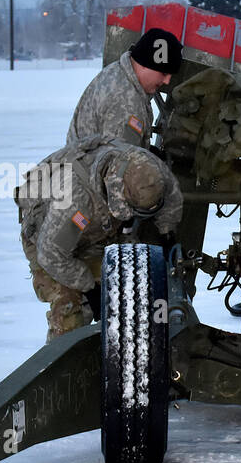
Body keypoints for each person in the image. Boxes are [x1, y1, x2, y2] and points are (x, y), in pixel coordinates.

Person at [16, 135, 183, 339]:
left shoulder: (148, 168)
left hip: (101, 233)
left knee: (138, 291)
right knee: (71, 309)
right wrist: (90, 288)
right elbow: (51, 255)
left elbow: (172, 197)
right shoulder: (74, 201)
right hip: (51, 246)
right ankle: (71, 366)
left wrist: (166, 233)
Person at [67, 28, 184, 149]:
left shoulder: (119, 71)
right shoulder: (125, 102)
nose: (167, 81)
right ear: (146, 64)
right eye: (164, 74)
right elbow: (117, 163)